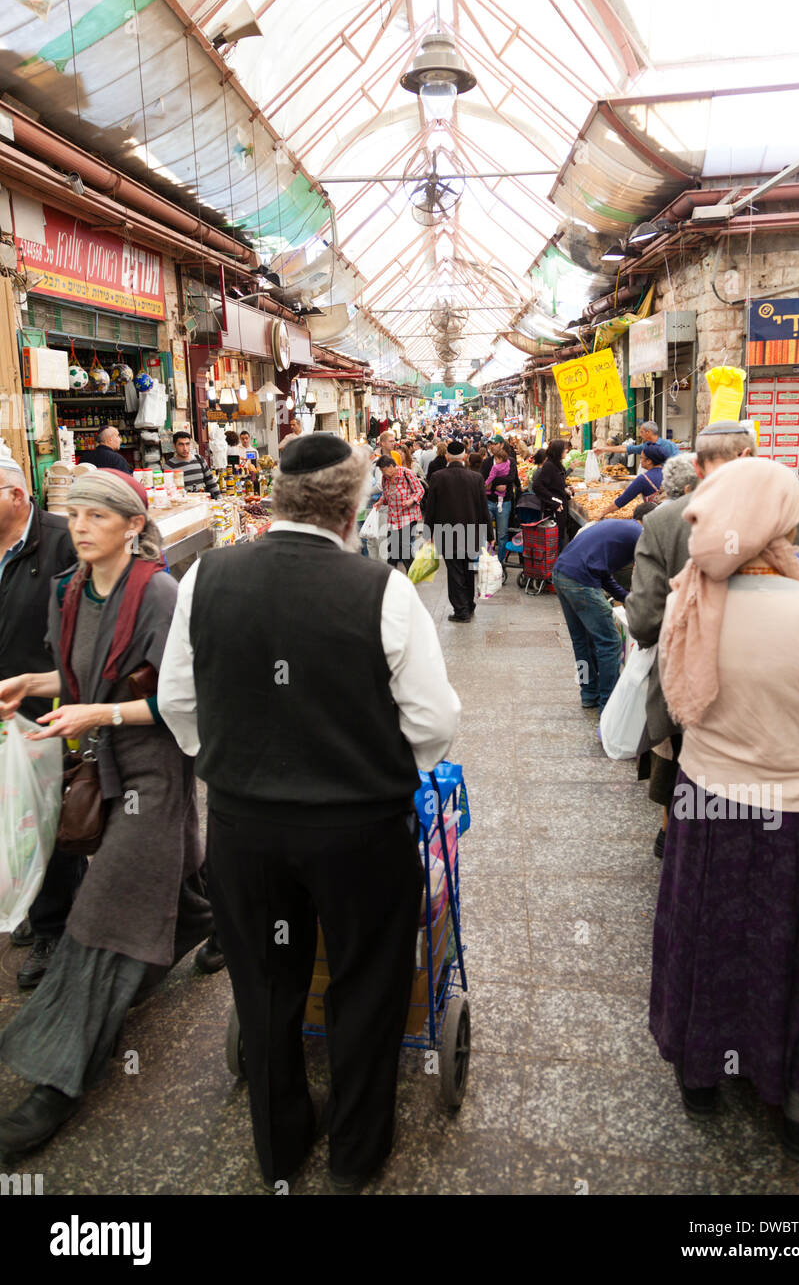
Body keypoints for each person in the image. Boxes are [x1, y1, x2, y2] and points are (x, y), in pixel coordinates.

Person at [158, 433, 460, 1194]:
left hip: (243, 828)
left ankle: (281, 1146)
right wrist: (382, 768)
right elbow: (433, 719)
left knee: (264, 985)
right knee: (365, 980)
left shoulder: (207, 578)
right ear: (354, 505)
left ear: (276, 498)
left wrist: (236, 767)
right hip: (359, 831)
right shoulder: (379, 588)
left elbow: (177, 702)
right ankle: (357, 1154)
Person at [651, 457, 799, 1159]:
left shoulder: (690, 599)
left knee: (707, 935)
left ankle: (702, 1074)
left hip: (706, 807)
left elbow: (676, 703)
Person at [0, 470, 220, 1157]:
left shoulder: (158, 593)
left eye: (99, 516)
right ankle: (214, 919)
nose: (82, 527)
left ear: (132, 525)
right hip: (101, 767)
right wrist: (31, 683)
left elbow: (188, 701)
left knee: (99, 917)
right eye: (75, 515)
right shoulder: (68, 593)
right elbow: (81, 676)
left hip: (154, 774)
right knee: (154, 889)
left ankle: (57, 1083)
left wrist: (102, 712)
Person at [625, 419, 799, 859]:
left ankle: (676, 841)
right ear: (748, 458)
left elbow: (642, 621)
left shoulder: (662, 522)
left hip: (689, 707)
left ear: (697, 466)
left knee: (697, 804)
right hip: (798, 790)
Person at [0, 456, 80, 976]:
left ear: (15, 494)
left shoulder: (59, 540)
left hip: (46, 703)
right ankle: (29, 905)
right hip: (4, 705)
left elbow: (82, 624)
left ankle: (57, 930)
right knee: (14, 819)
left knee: (50, 819)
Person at [551, 519, 641, 711]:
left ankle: (588, 693)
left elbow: (603, 572)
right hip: (578, 581)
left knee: (581, 641)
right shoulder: (640, 535)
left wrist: (624, 597)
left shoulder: (621, 530)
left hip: (561, 573)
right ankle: (608, 705)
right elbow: (647, 572)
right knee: (610, 642)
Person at [424, 441, 494, 623]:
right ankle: (469, 605)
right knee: (469, 569)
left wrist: (427, 533)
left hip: (446, 532)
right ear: (464, 457)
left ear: (447, 457)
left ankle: (461, 610)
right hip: (471, 531)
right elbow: (483, 509)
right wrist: (490, 535)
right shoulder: (476, 478)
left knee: (455, 571)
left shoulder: (438, 477)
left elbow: (430, 508)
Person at [376, 456, 425, 571]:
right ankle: (391, 574)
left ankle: (413, 574)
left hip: (408, 516)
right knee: (392, 546)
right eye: (382, 471)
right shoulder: (385, 478)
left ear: (392, 466)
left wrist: (411, 500)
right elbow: (386, 495)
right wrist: (381, 502)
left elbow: (420, 490)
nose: (384, 474)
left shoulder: (407, 474)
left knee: (404, 547)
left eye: (384, 470)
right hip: (393, 517)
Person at [480, 435, 519, 568]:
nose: (491, 446)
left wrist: (493, 483)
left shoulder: (511, 461)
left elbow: (511, 478)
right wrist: (495, 485)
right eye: (490, 444)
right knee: (485, 531)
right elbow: (482, 480)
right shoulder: (486, 462)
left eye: (494, 443)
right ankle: (488, 559)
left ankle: (500, 562)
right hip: (489, 501)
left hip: (505, 502)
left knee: (502, 534)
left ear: (502, 445)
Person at [533, 439, 570, 550]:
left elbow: (555, 484)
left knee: (560, 536)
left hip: (560, 508)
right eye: (564, 449)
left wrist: (566, 489)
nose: (566, 451)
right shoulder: (549, 466)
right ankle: (554, 564)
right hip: (554, 511)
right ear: (558, 451)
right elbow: (537, 486)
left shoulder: (557, 465)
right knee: (556, 540)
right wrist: (554, 501)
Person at [613, 444, 668, 513]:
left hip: (655, 517)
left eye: (641, 458)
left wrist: (602, 513)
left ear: (648, 461)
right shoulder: (669, 474)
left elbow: (622, 500)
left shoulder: (643, 479)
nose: (640, 460)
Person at [165, 431, 220, 498]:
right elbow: (168, 491)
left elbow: (211, 483)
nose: (185, 448)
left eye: (187, 444)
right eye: (181, 444)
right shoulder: (169, 466)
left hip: (203, 503)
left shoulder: (199, 459)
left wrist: (220, 500)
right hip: (184, 505)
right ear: (174, 446)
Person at [598, 420, 678, 462]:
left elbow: (679, 463)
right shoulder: (646, 446)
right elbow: (624, 448)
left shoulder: (669, 445)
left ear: (648, 432)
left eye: (641, 432)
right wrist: (603, 449)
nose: (640, 435)